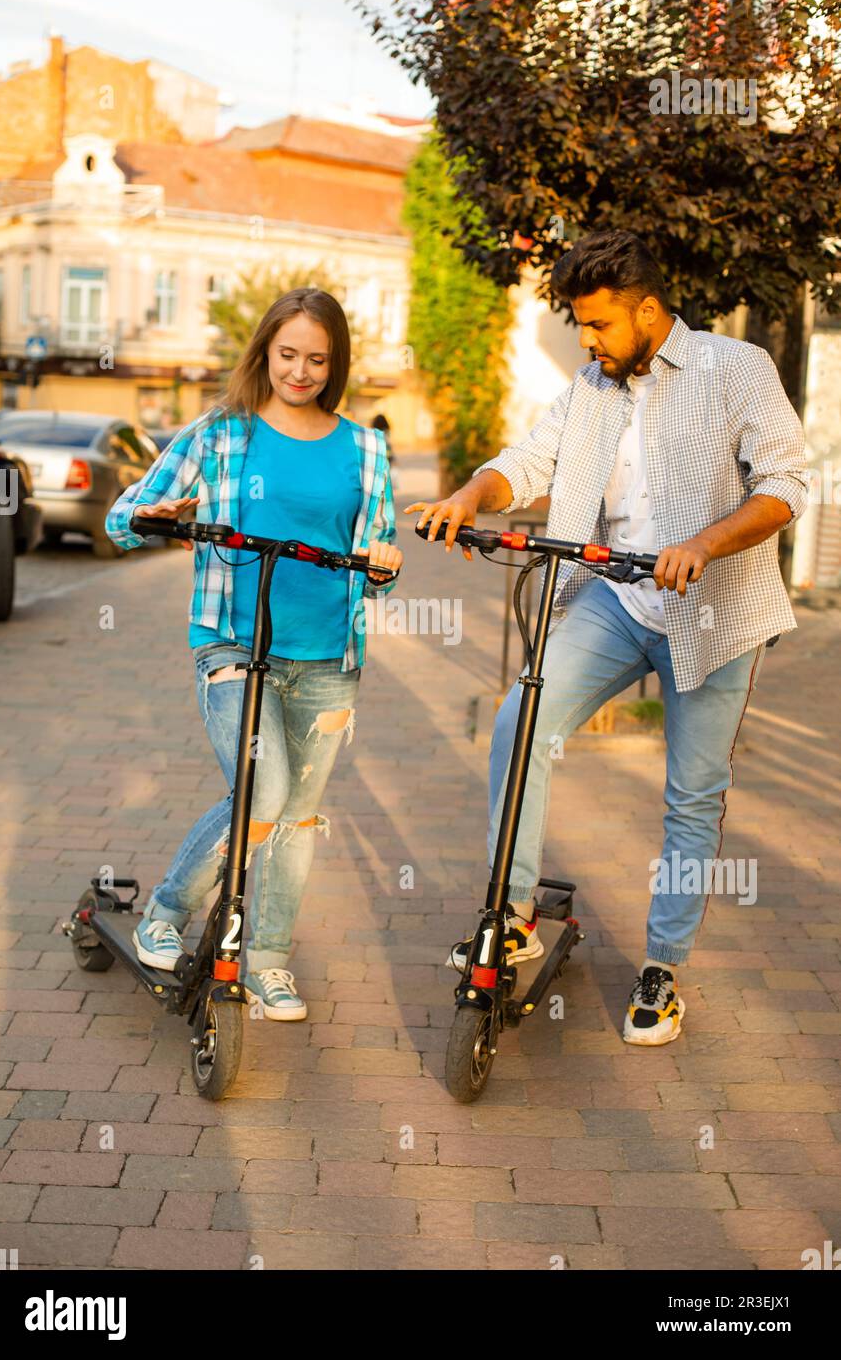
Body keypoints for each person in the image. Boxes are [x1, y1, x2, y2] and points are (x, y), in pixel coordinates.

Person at [407, 229, 807, 1046]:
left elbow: (786, 485)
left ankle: (663, 966)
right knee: (524, 721)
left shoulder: (737, 370)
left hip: (716, 609)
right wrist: (469, 495)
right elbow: (529, 458)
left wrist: (702, 543)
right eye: (580, 328)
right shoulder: (591, 386)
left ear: (650, 312)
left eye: (597, 326)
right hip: (615, 599)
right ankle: (512, 916)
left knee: (692, 796)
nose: (585, 343)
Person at [105, 287, 402, 1019]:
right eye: (288, 355)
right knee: (262, 794)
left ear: (336, 365)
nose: (300, 371)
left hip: (328, 655)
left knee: (297, 817)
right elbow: (121, 520)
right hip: (232, 642)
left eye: (317, 359)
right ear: (265, 351)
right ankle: (164, 915)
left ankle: (268, 963)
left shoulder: (365, 448)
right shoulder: (221, 434)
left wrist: (386, 564)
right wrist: (151, 516)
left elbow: (378, 557)